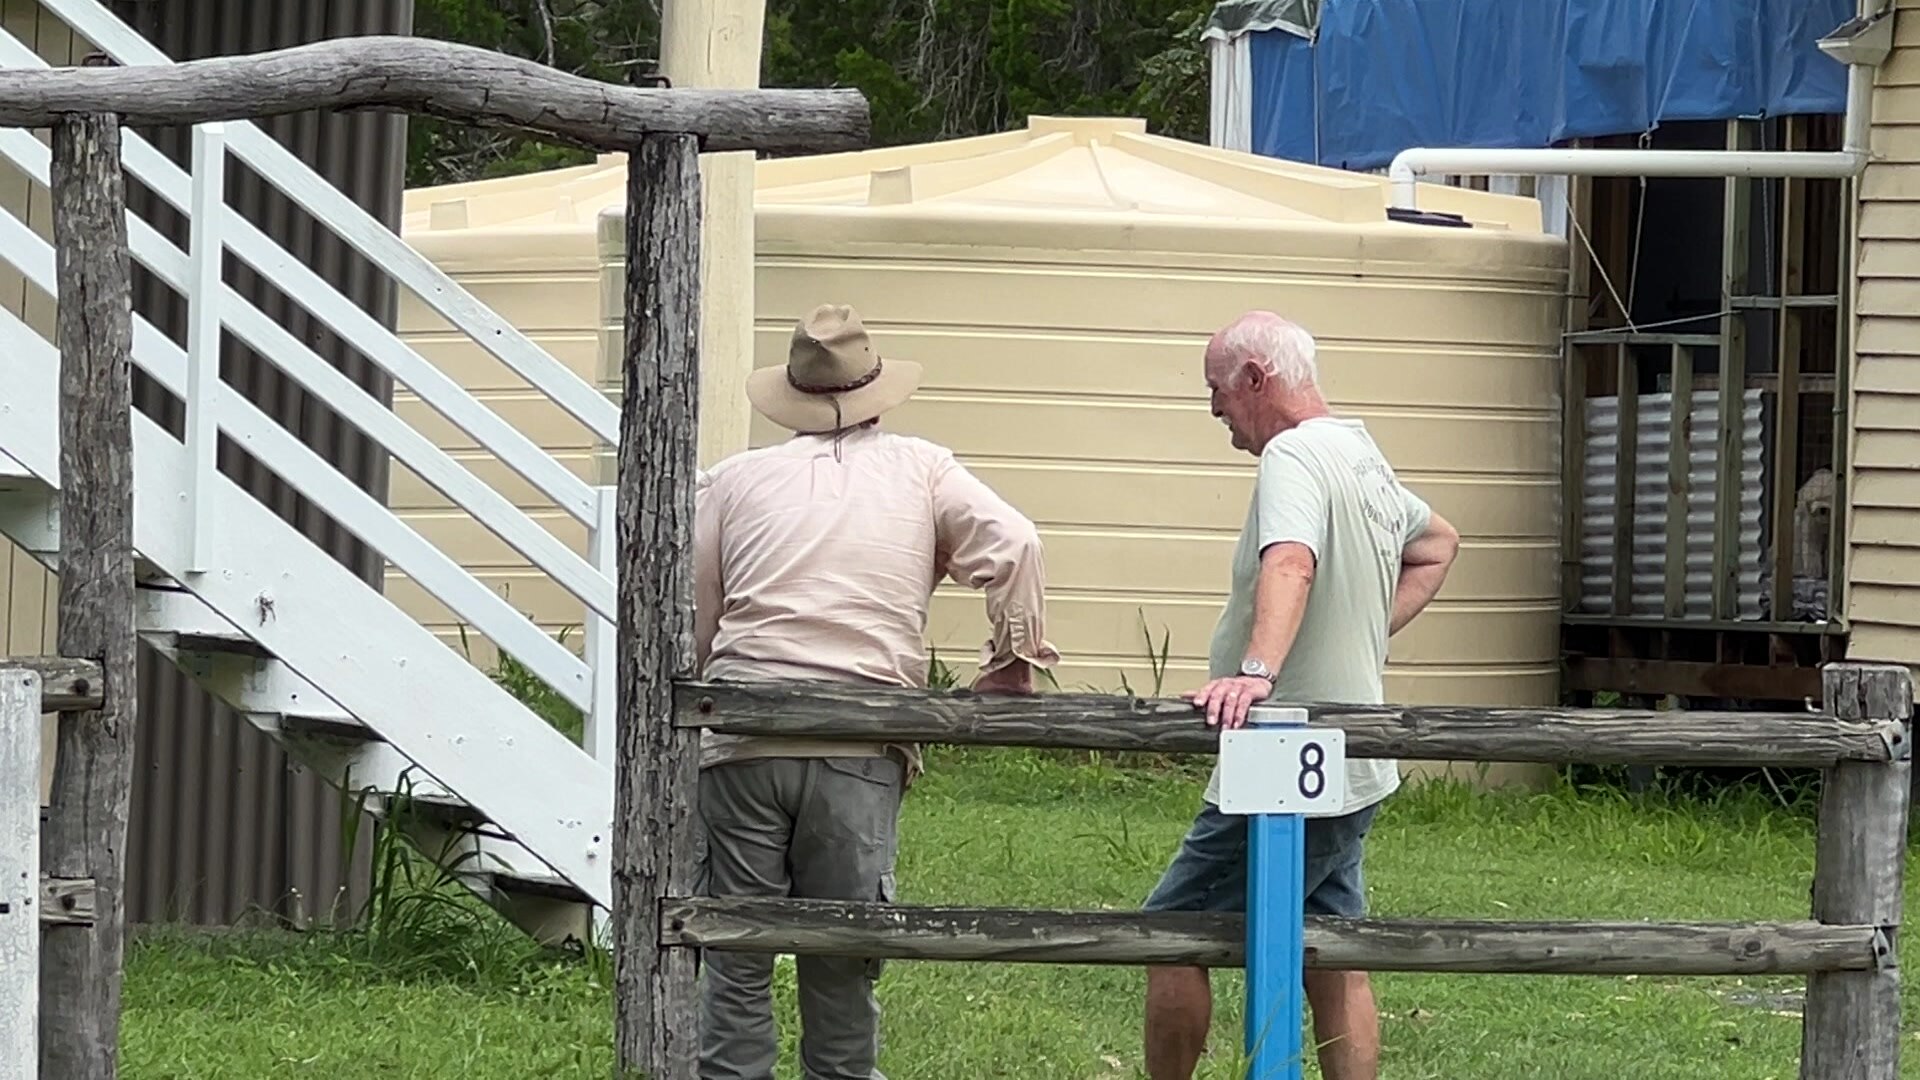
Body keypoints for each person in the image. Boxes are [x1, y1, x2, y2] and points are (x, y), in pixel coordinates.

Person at [692, 302, 1059, 1080]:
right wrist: (1011, 658)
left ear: (790, 395)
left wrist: (708, 710)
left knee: (738, 954)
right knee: (846, 954)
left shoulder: (730, 480)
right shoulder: (923, 469)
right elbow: (1017, 541)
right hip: (861, 740)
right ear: (877, 390)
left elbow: (700, 617)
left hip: (745, 734)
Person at [1140, 310, 1459, 1080]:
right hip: (1351, 756)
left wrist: (1255, 673)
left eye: (1217, 390)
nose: (1214, 408)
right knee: (1331, 941)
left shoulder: (1291, 455)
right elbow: (1437, 542)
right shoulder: (1357, 452)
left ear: (1255, 379)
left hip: (1286, 758)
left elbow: (1291, 562)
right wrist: (1359, 631)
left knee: (1170, 927)